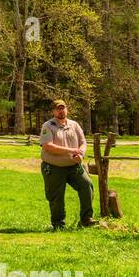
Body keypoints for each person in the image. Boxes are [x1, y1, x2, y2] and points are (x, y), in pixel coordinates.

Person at [38, 99, 94, 231]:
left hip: (73, 166)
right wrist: (71, 150)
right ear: (53, 111)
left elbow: (83, 142)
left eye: (63, 108)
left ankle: (86, 219)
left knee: (86, 186)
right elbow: (48, 146)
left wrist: (81, 154)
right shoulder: (48, 126)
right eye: (58, 109)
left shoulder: (74, 125)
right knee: (56, 197)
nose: (61, 111)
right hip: (53, 168)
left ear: (67, 110)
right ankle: (58, 225)